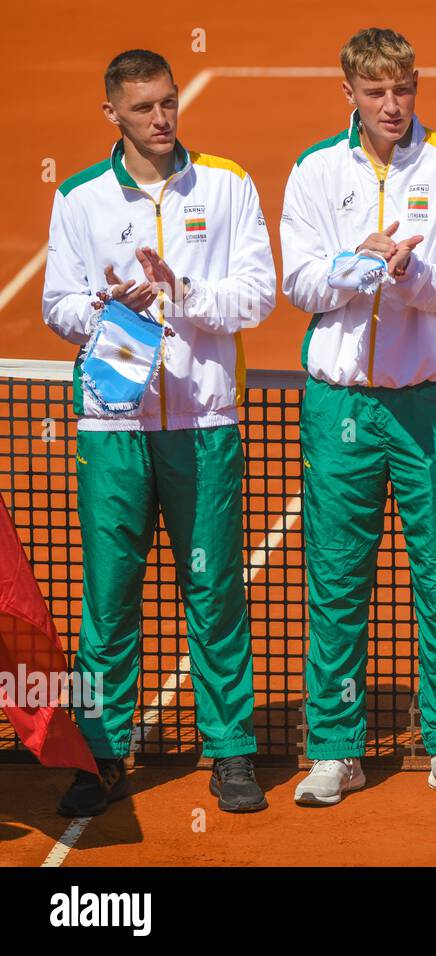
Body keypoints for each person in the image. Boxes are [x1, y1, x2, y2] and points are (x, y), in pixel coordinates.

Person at [42, 49, 276, 815]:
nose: (162, 118)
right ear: (112, 113)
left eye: (169, 102)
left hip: (204, 424)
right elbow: (58, 306)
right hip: (113, 427)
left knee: (214, 591)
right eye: (143, 107)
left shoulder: (229, 185)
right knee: (108, 598)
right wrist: (111, 309)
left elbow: (257, 297)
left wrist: (183, 290)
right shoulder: (78, 199)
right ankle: (100, 755)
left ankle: (231, 751)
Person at [280, 27, 436, 807]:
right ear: (350, 95)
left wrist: (412, 273)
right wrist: (355, 264)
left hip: (432, 400)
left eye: (403, 89)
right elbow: (299, 284)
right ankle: (336, 749)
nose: (392, 105)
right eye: (376, 92)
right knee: (336, 578)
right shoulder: (313, 171)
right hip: (340, 406)